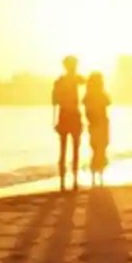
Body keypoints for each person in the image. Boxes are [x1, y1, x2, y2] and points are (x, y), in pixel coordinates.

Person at [52, 55, 85, 191]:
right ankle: (72, 180)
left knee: (64, 149)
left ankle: (64, 181)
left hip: (64, 116)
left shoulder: (60, 80)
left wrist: (55, 121)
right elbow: (85, 81)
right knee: (73, 149)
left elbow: (54, 102)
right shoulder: (73, 79)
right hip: (71, 116)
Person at [84, 71, 112, 186]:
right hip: (100, 124)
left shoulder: (89, 95)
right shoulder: (98, 94)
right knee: (100, 149)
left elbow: (87, 111)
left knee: (97, 149)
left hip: (96, 124)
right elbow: (108, 102)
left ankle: (96, 175)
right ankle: (98, 174)